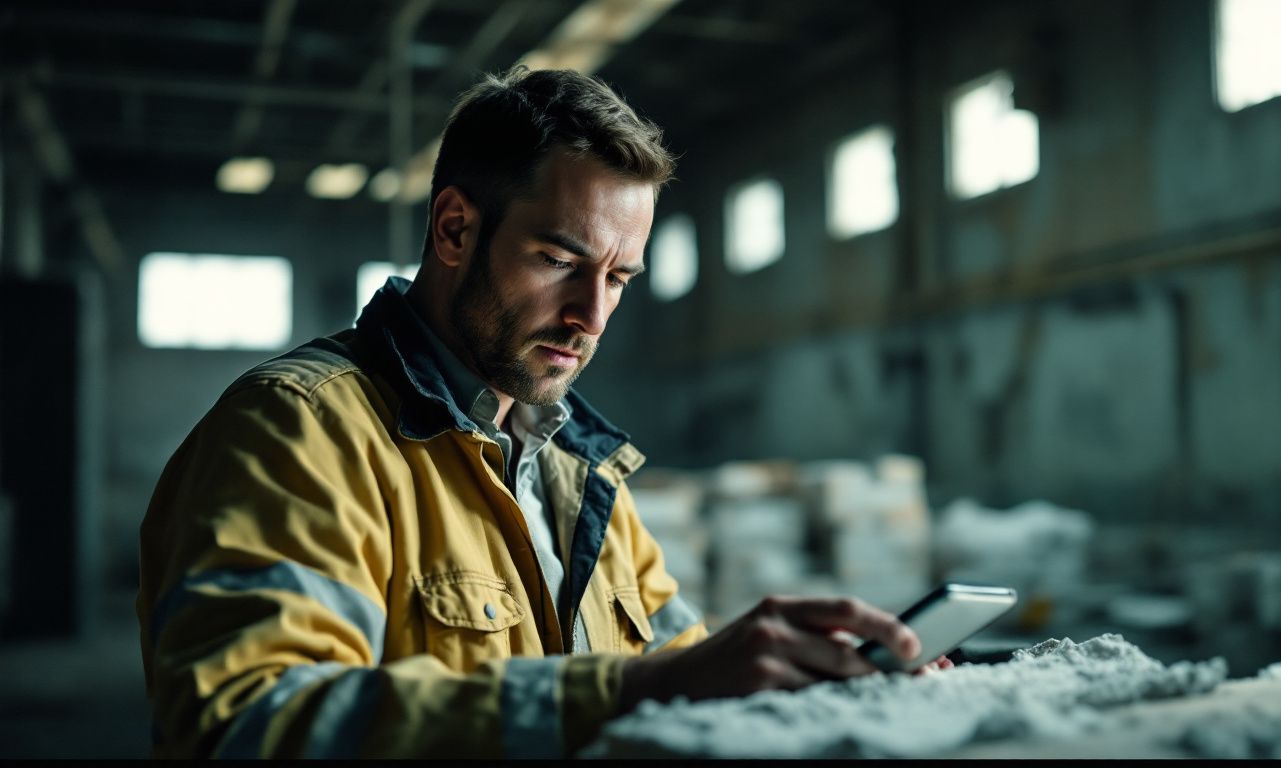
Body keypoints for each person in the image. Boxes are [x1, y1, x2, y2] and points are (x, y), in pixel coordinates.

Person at [135, 66, 947, 759]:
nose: (590, 315)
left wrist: (826, 682)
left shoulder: (577, 468)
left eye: (619, 277)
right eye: (560, 261)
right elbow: (247, 723)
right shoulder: (299, 430)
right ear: (455, 229)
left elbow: (687, 673)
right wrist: (616, 694)